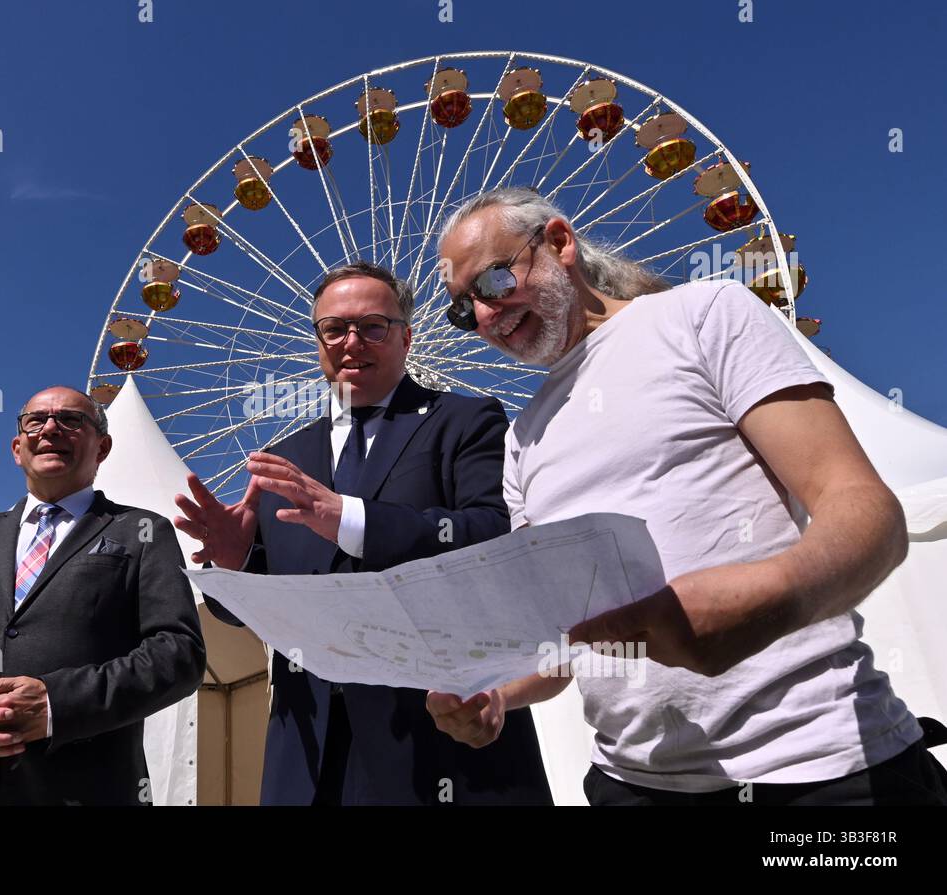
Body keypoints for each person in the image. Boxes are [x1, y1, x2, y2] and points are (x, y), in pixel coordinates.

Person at [428, 186, 947, 805]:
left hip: (815, 763)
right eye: (464, 311)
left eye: (491, 283)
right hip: (634, 784)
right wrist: (498, 693)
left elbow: (866, 510)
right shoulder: (522, 440)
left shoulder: (703, 316)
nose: (486, 316)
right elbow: (563, 636)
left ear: (560, 244)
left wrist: (776, 596)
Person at [174, 261, 551, 805]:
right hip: (307, 754)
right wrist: (239, 566)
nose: (352, 342)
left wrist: (353, 518)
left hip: (440, 737)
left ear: (407, 337)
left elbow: (494, 533)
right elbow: (256, 615)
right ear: (317, 341)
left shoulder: (466, 421)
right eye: (334, 329)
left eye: (373, 326)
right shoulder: (284, 459)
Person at [0, 386, 205, 805]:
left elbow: (178, 654)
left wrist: (56, 704)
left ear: (102, 447)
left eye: (71, 420)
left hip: (84, 790)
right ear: (18, 448)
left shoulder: (141, 532)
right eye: (36, 420)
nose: (51, 428)